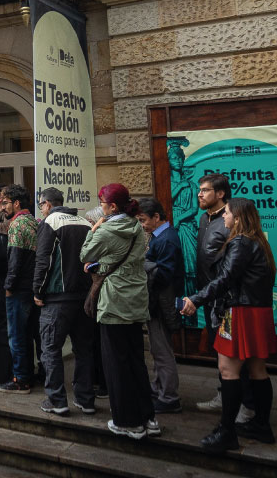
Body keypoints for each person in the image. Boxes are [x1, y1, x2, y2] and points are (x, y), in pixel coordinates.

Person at [182, 197, 277, 453]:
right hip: (258, 310)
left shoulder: (239, 242)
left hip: (240, 312)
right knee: (257, 368)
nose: (223, 217)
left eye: (226, 213)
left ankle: (227, 431)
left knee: (227, 370)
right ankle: (261, 425)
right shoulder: (258, 242)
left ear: (238, 216)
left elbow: (225, 279)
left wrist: (196, 299)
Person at [80, 183, 156, 441]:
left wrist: (93, 230)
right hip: (135, 298)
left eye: (102, 203)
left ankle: (127, 421)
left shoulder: (108, 229)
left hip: (114, 302)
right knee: (136, 360)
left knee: (116, 364)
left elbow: (85, 253)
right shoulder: (134, 225)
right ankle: (148, 417)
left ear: (112, 206)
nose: (99, 208)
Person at [194, 173, 254, 420]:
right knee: (218, 351)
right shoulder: (203, 219)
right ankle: (226, 394)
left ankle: (247, 404)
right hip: (209, 298)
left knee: (237, 354)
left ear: (220, 194)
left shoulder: (230, 222)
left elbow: (233, 263)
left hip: (226, 298)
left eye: (205, 190)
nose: (200, 194)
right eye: (199, 190)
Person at [31, 187, 94, 416]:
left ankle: (57, 400)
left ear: (47, 204)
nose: (41, 209)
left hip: (58, 297)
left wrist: (37, 290)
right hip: (84, 296)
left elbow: (43, 260)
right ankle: (86, 399)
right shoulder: (84, 222)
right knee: (84, 349)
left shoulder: (50, 222)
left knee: (50, 349)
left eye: (40, 205)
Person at [137, 197, 185, 414]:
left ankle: (169, 396)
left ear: (157, 217)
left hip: (161, 303)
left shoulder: (165, 239)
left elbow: (162, 274)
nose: (142, 225)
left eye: (143, 220)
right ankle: (159, 388)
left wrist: (142, 263)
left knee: (162, 350)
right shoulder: (163, 236)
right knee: (158, 349)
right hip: (159, 302)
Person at [0, 183, 39, 394]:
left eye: (5, 202)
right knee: (30, 334)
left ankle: (21, 379)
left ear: (16, 203)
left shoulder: (17, 225)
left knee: (16, 335)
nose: (2, 206)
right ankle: (30, 374)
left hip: (20, 288)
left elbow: (15, 260)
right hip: (33, 286)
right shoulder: (33, 221)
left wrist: (9, 286)